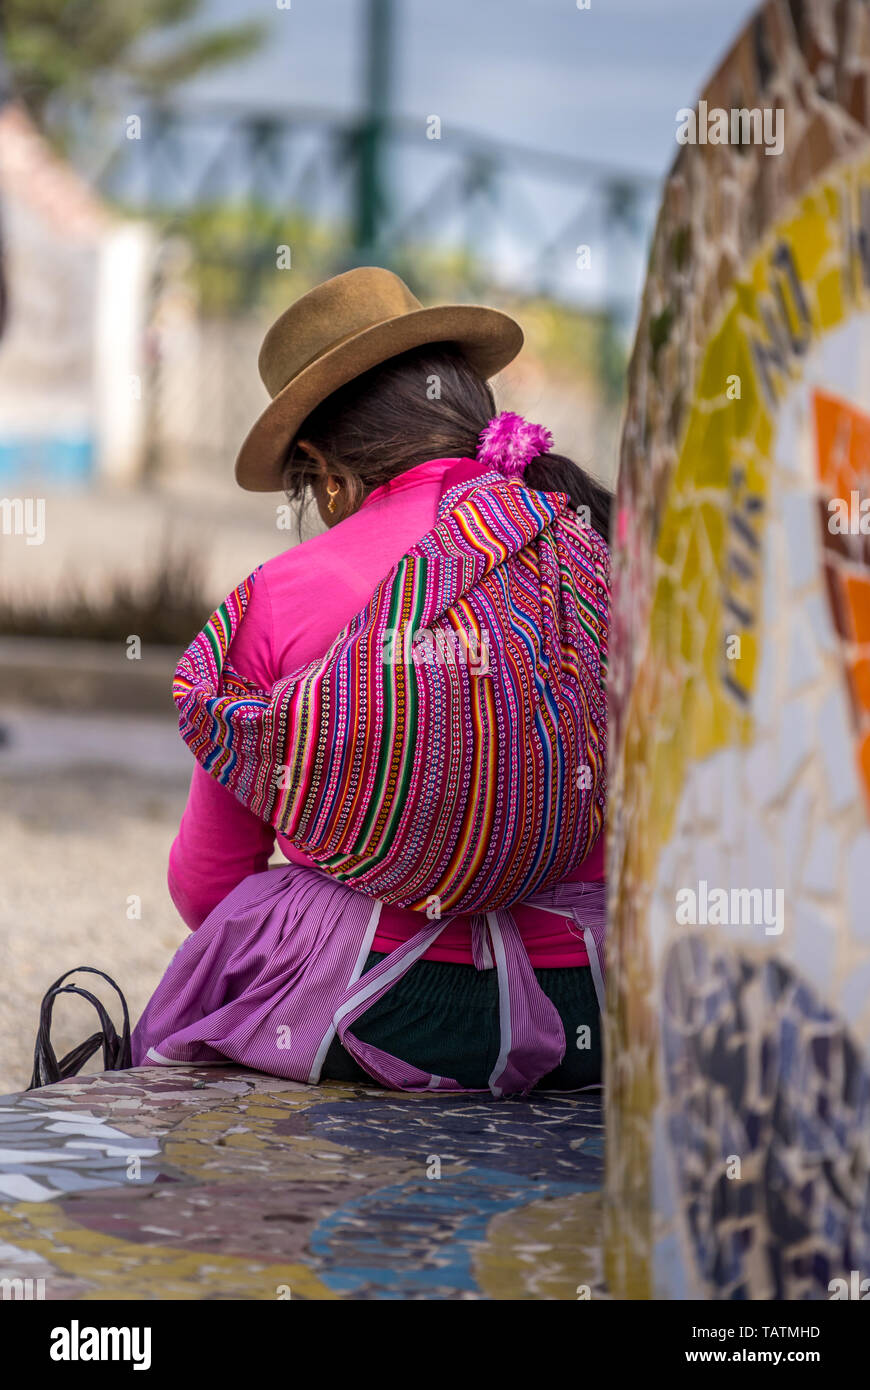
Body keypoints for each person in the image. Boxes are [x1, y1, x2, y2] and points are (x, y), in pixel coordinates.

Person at [131, 267, 610, 1096]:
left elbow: (209, 884)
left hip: (372, 1011)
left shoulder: (277, 598)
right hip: (601, 1010)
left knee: (249, 924)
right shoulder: (599, 551)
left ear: (324, 471)